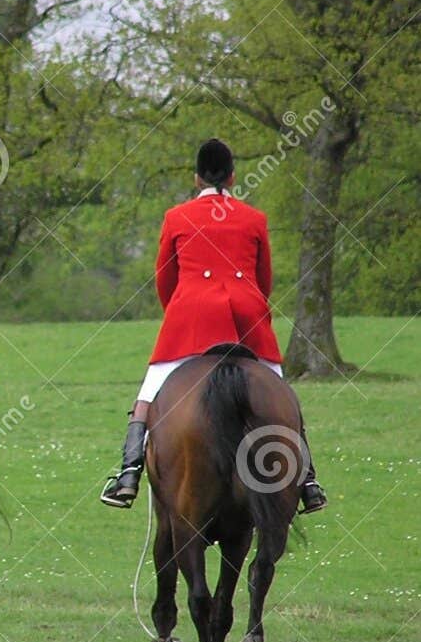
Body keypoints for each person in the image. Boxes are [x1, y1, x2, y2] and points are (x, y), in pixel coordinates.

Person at [100, 138, 327, 513]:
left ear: (196, 178)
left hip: (192, 316)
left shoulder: (177, 217)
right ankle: (308, 481)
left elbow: (164, 278)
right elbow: (263, 280)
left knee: (148, 394)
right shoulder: (255, 218)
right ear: (233, 177)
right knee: (281, 395)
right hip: (247, 318)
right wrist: (252, 306)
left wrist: (179, 311)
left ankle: (128, 474)